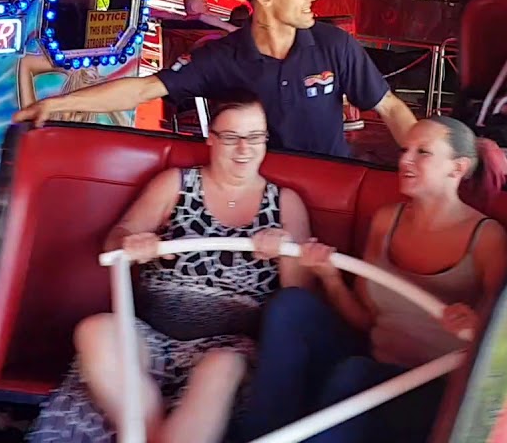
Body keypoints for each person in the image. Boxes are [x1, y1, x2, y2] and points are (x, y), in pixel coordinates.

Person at [28, 92, 311, 443]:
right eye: (231, 137)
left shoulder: (285, 203)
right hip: (152, 336)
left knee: (220, 367)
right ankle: (151, 431)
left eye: (255, 137)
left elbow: (301, 297)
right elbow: (116, 239)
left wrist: (285, 250)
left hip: (230, 347)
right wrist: (133, 242)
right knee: (95, 330)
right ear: (211, 138)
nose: (244, 149)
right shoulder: (175, 184)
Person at [238, 116, 507, 443]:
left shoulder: (486, 237)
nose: (405, 160)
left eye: (422, 152)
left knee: (353, 374)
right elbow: (364, 319)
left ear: (457, 168)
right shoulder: (386, 220)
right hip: (373, 357)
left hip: (433, 385)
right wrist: (330, 278)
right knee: (292, 305)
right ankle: (261, 432)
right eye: (404, 150)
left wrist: (477, 324)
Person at [15, 0, 418, 159]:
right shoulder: (225, 57)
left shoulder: (334, 44)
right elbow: (143, 89)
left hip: (334, 183)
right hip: (261, 195)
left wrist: (425, 157)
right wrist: (57, 104)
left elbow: (390, 108)